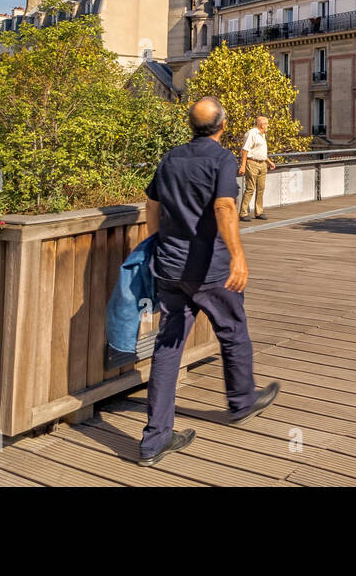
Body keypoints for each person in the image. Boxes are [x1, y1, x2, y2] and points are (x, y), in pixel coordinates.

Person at [137, 96, 280, 467]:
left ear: (190, 125)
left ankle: (155, 440)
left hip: (169, 268)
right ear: (222, 125)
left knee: (167, 349)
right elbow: (224, 207)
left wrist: (157, 245)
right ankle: (242, 401)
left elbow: (151, 204)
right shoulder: (222, 160)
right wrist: (237, 256)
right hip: (210, 269)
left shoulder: (170, 158)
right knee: (232, 330)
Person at [238, 114, 276, 220]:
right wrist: (243, 165)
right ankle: (243, 213)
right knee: (250, 188)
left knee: (261, 188)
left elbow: (260, 151)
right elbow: (245, 150)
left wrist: (269, 162)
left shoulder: (262, 134)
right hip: (252, 163)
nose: (268, 126)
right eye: (267, 124)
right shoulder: (251, 134)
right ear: (261, 124)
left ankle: (259, 212)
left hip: (262, 163)